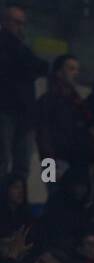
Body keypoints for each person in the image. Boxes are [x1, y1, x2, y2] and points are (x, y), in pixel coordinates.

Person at [0, 4, 45, 177]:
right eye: (16, 22)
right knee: (4, 160)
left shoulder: (23, 48)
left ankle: (17, 193)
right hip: (6, 110)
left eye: (22, 23)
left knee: (21, 165)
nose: (20, 27)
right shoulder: (11, 47)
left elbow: (40, 67)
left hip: (24, 112)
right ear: (5, 22)